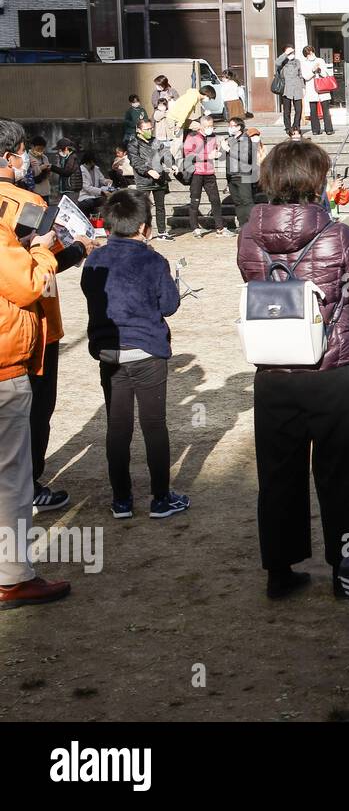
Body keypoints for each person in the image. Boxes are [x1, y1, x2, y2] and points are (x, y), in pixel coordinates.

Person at [236, 140, 349, 600]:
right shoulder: (339, 236)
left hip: (275, 371)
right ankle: (344, 572)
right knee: (342, 478)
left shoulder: (247, 234)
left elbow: (257, 286)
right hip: (332, 369)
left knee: (278, 475)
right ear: (316, 181)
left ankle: (279, 570)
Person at [0, 118, 94, 519]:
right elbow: (39, 271)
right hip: (27, 327)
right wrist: (78, 248)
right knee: (34, 411)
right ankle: (31, 483)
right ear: (10, 156)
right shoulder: (28, 205)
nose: (27, 160)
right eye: (23, 152)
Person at [80, 190, 187, 520]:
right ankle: (160, 498)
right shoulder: (153, 260)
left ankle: (122, 499)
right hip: (146, 352)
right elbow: (169, 305)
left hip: (110, 354)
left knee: (118, 428)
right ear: (144, 227)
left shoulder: (94, 259)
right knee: (154, 426)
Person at [0, 215, 69, 610]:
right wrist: (42, 248)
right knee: (11, 480)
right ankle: (13, 578)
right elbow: (31, 286)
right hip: (5, 368)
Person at [126, 116, 173, 241]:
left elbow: (165, 153)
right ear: (139, 130)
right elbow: (135, 161)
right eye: (146, 129)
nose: (149, 131)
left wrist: (171, 164)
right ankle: (144, 233)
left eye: (151, 128)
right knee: (144, 208)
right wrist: (148, 171)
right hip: (143, 180)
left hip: (159, 179)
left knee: (160, 206)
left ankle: (162, 232)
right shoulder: (133, 143)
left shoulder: (155, 141)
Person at [183, 115, 226, 237]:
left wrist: (220, 150)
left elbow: (217, 151)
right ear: (201, 126)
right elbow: (188, 155)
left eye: (211, 126)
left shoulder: (213, 137)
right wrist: (207, 156)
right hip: (196, 173)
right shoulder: (192, 136)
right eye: (207, 126)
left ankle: (220, 227)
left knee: (215, 200)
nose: (210, 128)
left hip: (210, 173)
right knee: (195, 200)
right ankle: (195, 227)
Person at [220, 116, 257, 228]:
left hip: (243, 174)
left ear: (239, 127)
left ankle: (252, 226)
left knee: (247, 201)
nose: (230, 128)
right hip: (232, 175)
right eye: (229, 125)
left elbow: (246, 156)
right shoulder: (230, 140)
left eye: (233, 126)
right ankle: (242, 226)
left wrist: (229, 150)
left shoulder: (245, 139)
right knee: (238, 202)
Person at [302, 45, 335, 136]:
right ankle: (315, 129)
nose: (310, 54)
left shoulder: (320, 60)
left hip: (322, 87)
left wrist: (319, 70)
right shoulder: (304, 63)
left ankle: (328, 129)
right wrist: (313, 71)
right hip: (311, 88)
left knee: (326, 109)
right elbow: (305, 76)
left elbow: (325, 74)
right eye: (308, 53)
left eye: (311, 52)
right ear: (306, 55)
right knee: (313, 110)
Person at [275, 46, 305, 134]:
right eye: (290, 53)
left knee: (298, 109)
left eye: (292, 52)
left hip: (297, 87)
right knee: (287, 110)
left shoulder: (297, 62)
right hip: (286, 88)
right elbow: (277, 63)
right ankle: (288, 127)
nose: (292, 54)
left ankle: (296, 125)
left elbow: (300, 75)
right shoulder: (282, 62)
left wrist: (303, 87)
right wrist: (286, 53)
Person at [24, 136, 52, 201]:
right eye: (38, 149)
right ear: (32, 146)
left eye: (42, 149)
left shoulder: (44, 157)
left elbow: (48, 175)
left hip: (45, 190)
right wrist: (41, 168)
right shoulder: (27, 158)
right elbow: (27, 175)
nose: (40, 151)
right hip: (34, 191)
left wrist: (48, 170)